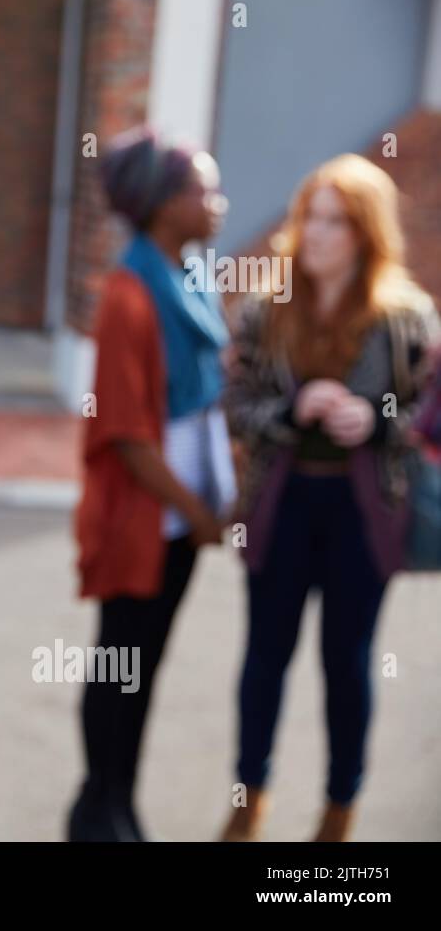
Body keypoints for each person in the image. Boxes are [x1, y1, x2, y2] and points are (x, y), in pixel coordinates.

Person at [219, 154, 440, 842]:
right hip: (283, 503)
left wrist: (374, 422)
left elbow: (422, 420)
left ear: (366, 232)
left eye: (335, 222)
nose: (316, 235)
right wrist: (291, 412)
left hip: (362, 511)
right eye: (310, 217)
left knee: (347, 664)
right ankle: (248, 797)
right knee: (264, 658)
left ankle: (339, 809)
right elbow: (235, 405)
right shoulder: (266, 309)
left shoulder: (407, 319)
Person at [69, 127, 234, 841]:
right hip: (147, 519)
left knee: (145, 663)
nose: (218, 202)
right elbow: (128, 435)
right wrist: (197, 510)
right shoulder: (130, 297)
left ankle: (117, 804)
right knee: (121, 665)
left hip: (181, 521)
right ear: (165, 205)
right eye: (204, 189)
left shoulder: (189, 278)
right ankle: (101, 808)